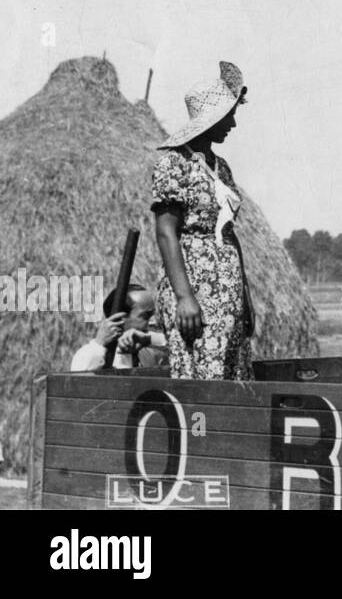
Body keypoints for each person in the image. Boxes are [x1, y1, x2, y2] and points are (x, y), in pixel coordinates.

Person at [151, 61, 255, 381]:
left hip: (228, 289)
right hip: (195, 286)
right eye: (229, 116)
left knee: (232, 373)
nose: (233, 124)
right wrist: (184, 297)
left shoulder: (220, 168)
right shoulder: (175, 163)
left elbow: (229, 233)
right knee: (202, 377)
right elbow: (166, 231)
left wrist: (245, 297)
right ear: (212, 119)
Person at [69, 284, 168, 372]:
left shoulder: (148, 353)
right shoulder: (87, 354)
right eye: (146, 316)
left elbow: (179, 349)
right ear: (121, 319)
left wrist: (151, 340)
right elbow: (80, 379)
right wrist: (100, 344)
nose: (154, 321)